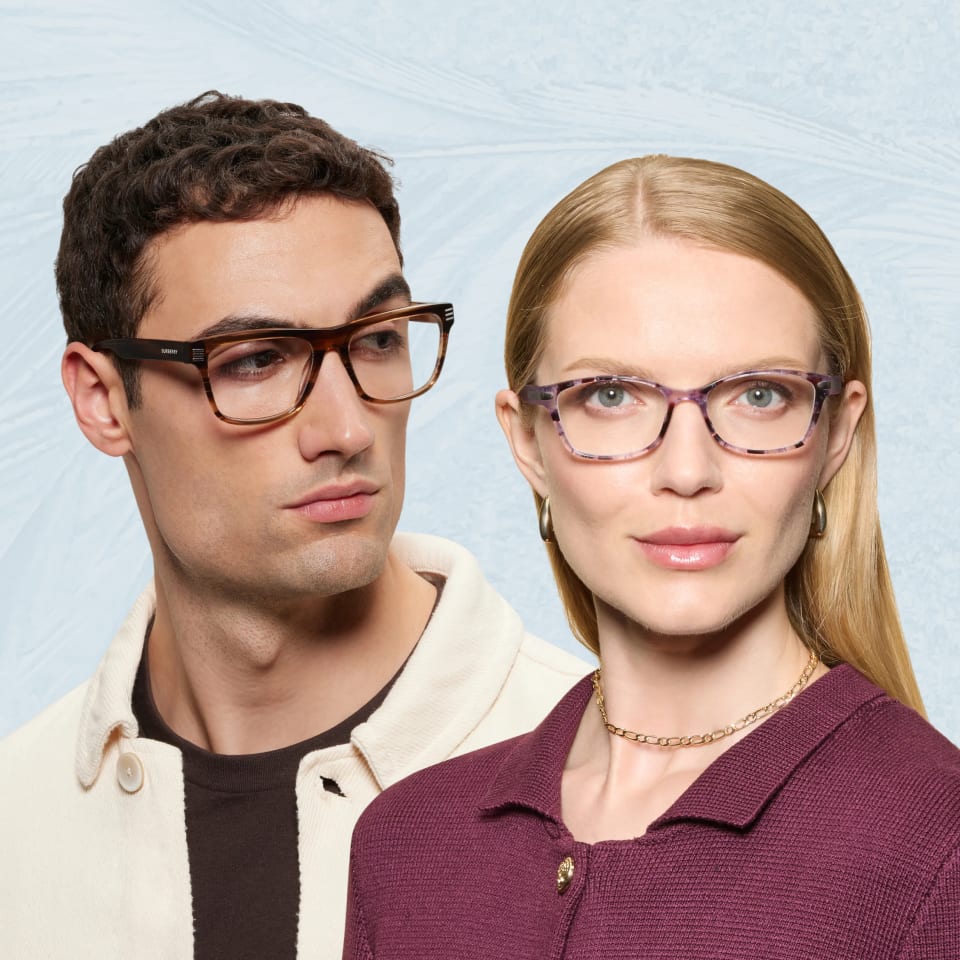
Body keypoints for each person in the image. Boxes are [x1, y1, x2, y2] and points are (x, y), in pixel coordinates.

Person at [0, 92, 588, 960]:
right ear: (102, 399)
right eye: (254, 360)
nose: (347, 430)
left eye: (379, 339)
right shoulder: (18, 821)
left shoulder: (614, 778)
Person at [344, 155, 960, 958]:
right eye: (611, 396)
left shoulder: (936, 842)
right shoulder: (406, 844)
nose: (687, 471)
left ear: (836, 432)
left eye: (759, 395)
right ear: (527, 441)